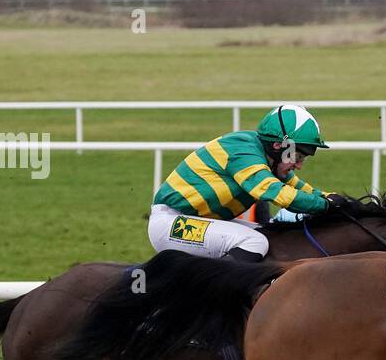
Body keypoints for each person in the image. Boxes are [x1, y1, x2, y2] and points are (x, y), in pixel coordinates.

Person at [148, 103, 350, 261]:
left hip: (199, 220)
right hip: (172, 223)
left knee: (270, 238)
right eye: (297, 156)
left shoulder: (269, 160)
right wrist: (324, 205)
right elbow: (277, 193)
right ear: (279, 146)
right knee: (254, 242)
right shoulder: (244, 151)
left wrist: (336, 201)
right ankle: (212, 300)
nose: (298, 165)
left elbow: (303, 189)